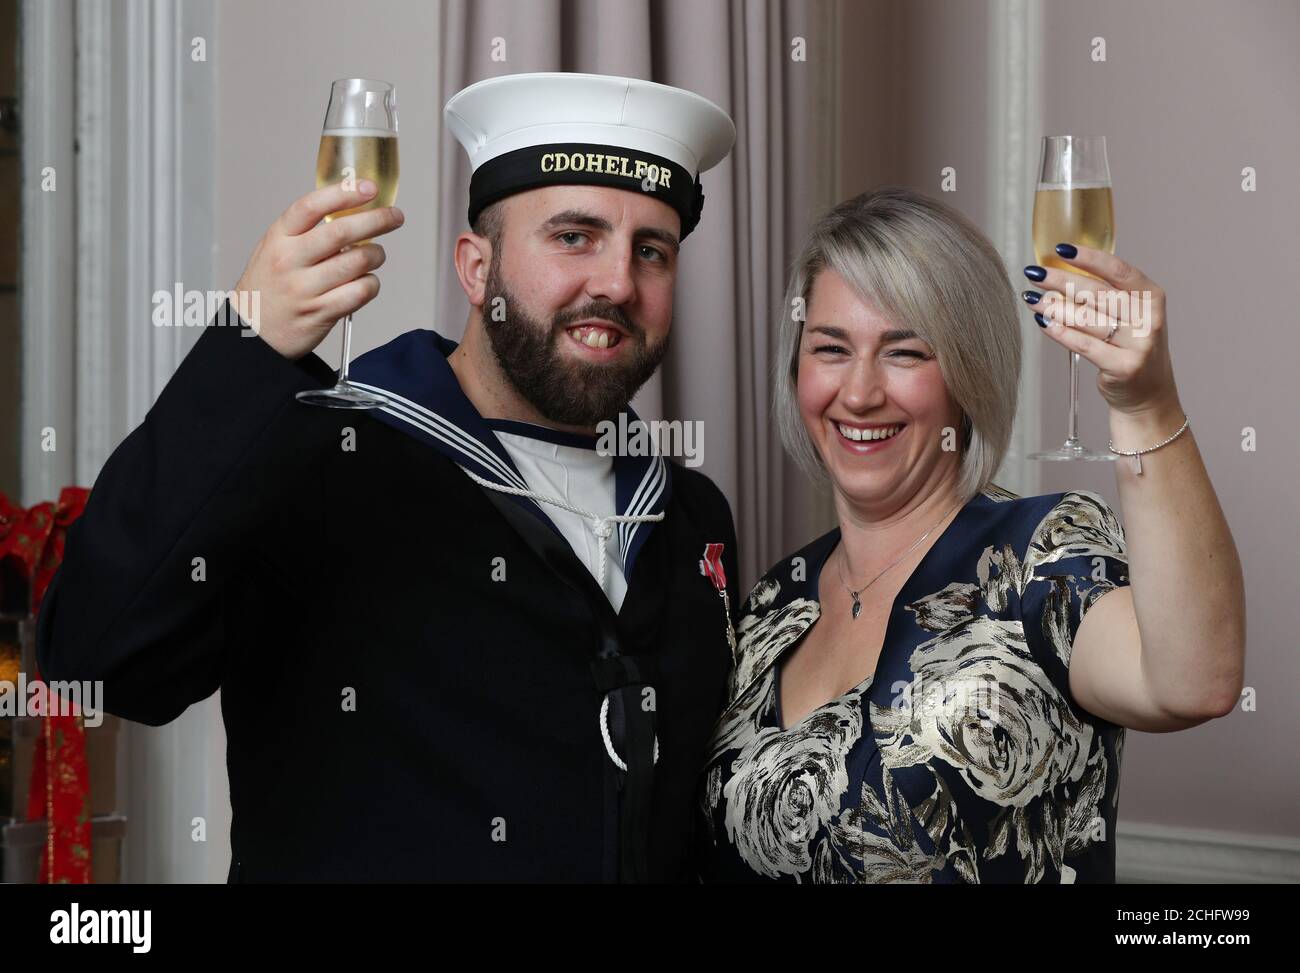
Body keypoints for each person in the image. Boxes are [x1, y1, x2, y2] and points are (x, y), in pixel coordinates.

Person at [37, 72, 739, 882]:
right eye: (574, 237)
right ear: (477, 270)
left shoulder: (691, 516)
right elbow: (97, 658)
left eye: (650, 250)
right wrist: (249, 349)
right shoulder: (318, 460)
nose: (617, 282)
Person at [695, 187, 1245, 883]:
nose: (860, 392)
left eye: (905, 353)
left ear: (967, 372)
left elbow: (1194, 682)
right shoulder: (775, 602)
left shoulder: (1041, 554)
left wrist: (1146, 402)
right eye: (831, 348)